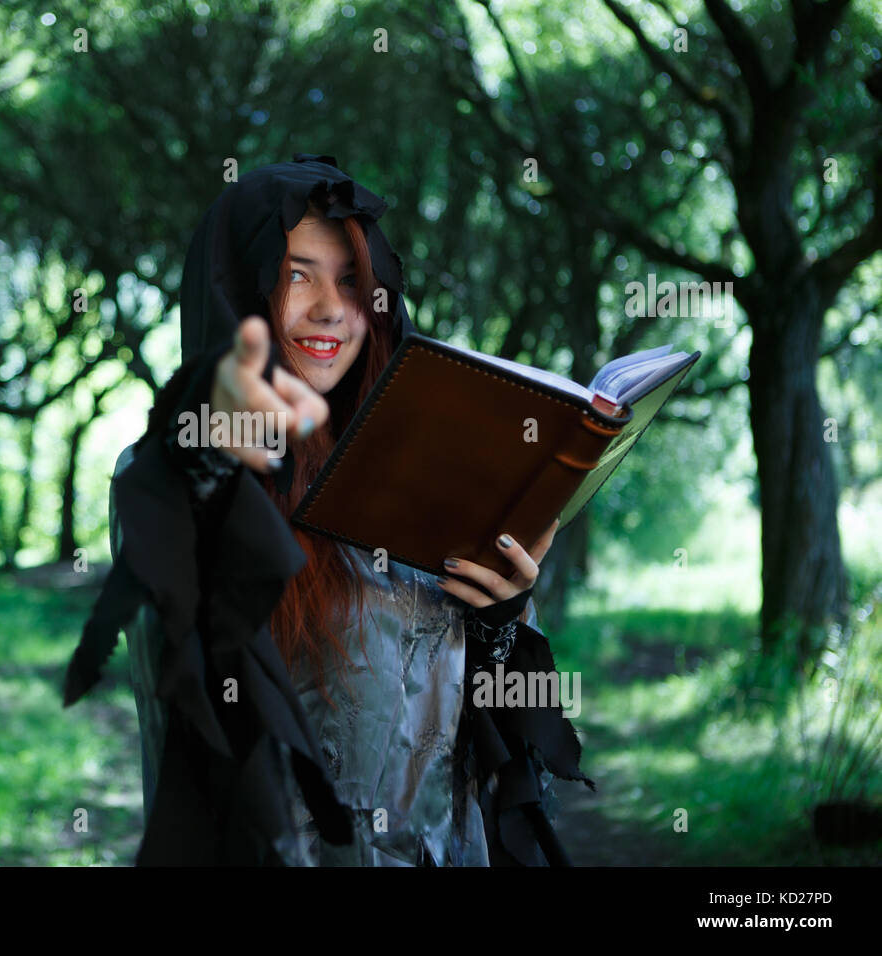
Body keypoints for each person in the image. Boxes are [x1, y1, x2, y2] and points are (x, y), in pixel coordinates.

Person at [64, 154, 594, 866]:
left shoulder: (427, 465)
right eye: (296, 275)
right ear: (239, 292)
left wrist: (502, 616)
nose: (330, 310)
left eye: (351, 281)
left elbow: (472, 720)